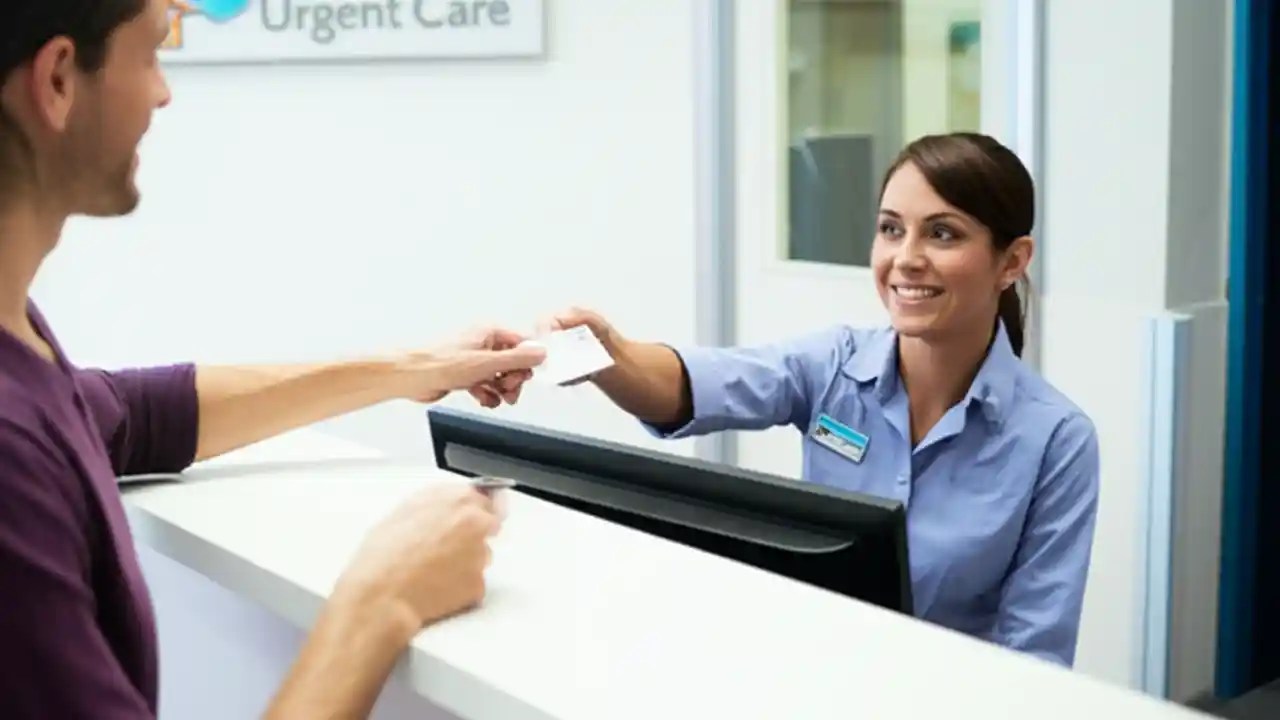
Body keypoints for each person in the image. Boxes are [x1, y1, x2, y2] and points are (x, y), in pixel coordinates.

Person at [0, 1, 545, 717]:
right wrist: (380, 602)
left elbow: (134, 414)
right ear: (60, 80)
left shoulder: (21, 347)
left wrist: (414, 368)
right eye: (151, 55)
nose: (165, 92)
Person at [539, 132, 1101, 667]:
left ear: (1012, 261)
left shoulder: (1056, 440)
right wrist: (606, 355)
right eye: (890, 229)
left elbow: (1035, 655)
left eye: (943, 233)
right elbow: (698, 384)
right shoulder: (833, 367)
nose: (905, 257)